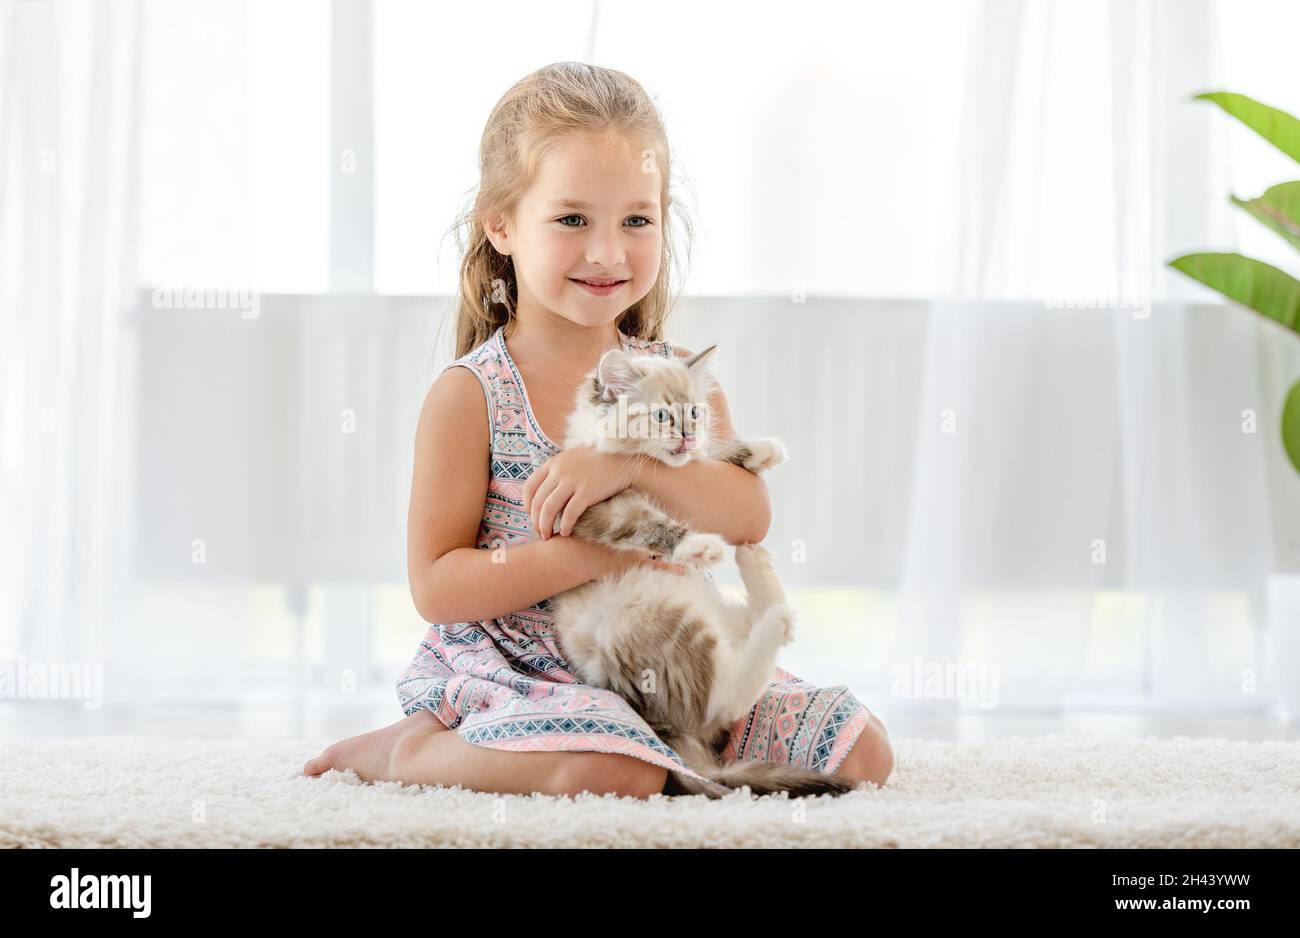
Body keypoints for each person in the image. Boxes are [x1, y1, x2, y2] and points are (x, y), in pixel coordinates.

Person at [303, 61, 893, 799]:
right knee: (617, 772)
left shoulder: (676, 378)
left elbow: (748, 515)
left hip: (677, 663)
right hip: (532, 671)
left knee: (861, 753)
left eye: (636, 221)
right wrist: (594, 553)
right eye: (573, 219)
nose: (609, 253)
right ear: (502, 224)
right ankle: (409, 750)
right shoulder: (472, 394)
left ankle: (669, 750)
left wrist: (631, 468)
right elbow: (437, 585)